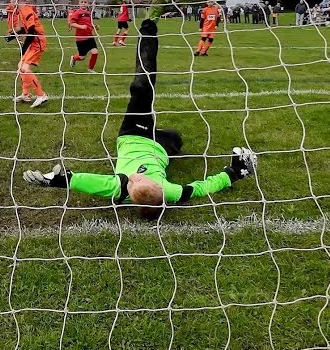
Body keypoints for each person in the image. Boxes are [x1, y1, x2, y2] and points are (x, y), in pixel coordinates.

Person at [23, 17, 258, 219]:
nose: (135, 176)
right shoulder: (171, 191)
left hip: (134, 135)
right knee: (176, 138)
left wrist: (54, 179)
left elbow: (83, 181)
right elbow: (201, 187)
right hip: (161, 147)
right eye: (142, 179)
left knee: (142, 88)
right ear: (160, 189)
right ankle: (167, 138)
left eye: (133, 181)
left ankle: (148, 31)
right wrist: (234, 173)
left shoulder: (119, 188)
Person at [9, 0, 49, 108]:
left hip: (38, 42)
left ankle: (41, 95)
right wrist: (12, 36)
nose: (10, 1)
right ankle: (26, 94)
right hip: (33, 41)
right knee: (20, 67)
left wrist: (23, 48)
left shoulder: (27, 10)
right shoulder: (20, 11)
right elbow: (26, 29)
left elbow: (32, 31)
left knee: (25, 68)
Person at [67, 0, 100, 70]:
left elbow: (89, 25)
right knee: (82, 57)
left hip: (90, 37)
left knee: (95, 52)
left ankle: (90, 69)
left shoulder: (89, 13)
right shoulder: (77, 12)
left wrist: (95, 26)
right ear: (79, 3)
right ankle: (74, 58)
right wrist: (80, 26)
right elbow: (72, 23)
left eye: (85, 2)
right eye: (82, 2)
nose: (83, 4)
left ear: (88, 3)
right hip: (81, 38)